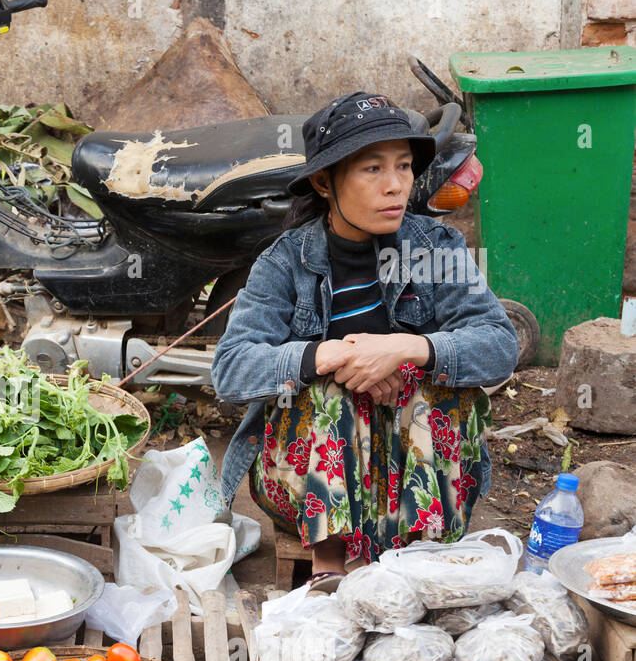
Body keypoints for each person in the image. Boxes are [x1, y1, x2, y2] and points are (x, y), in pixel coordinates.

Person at [212, 92, 518, 590]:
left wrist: (404, 349)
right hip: (309, 480)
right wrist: (332, 355)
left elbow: (500, 345)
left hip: (414, 465)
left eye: (403, 166)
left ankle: (423, 568)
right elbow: (231, 369)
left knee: (433, 384)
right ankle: (328, 574)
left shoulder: (434, 248)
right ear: (323, 182)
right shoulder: (285, 261)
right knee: (332, 389)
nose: (395, 185)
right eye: (372, 169)